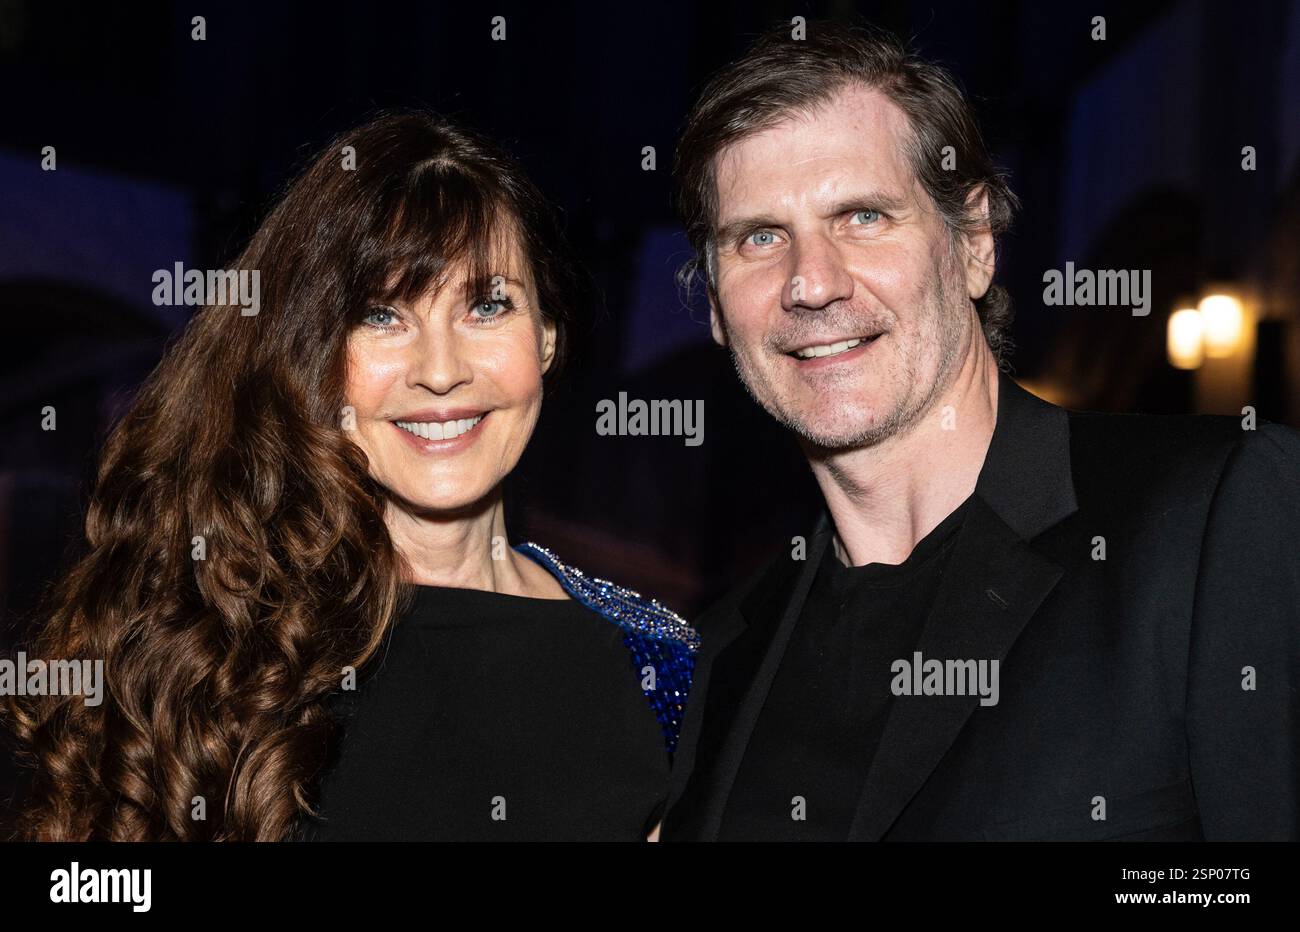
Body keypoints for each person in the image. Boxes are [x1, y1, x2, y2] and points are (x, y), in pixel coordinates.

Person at [661, 22, 1300, 841]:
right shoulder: (716, 662)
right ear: (716, 307)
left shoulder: (1213, 520)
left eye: (862, 216)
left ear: (973, 246)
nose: (810, 283)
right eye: (758, 237)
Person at [2, 112, 697, 842]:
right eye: (382, 315)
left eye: (487, 305)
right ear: (319, 355)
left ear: (546, 336)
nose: (440, 371)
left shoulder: (657, 666)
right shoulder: (215, 641)